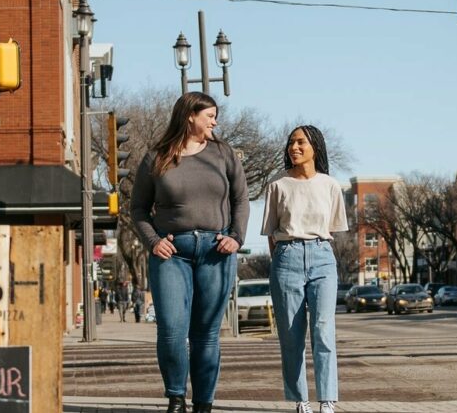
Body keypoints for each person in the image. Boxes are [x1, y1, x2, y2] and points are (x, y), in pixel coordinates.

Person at [131, 92, 249, 413]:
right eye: (209, 115)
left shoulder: (223, 154)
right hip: (172, 254)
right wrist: (154, 240)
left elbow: (241, 200)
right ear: (189, 117)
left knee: (206, 333)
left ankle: (204, 404)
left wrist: (236, 237)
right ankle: (175, 398)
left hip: (216, 250)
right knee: (171, 328)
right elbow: (138, 208)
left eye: (215, 115)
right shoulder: (157, 157)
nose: (215, 121)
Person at [262, 126, 349, 413]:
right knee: (291, 335)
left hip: (322, 256)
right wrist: (282, 261)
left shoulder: (331, 185)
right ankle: (301, 400)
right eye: (290, 143)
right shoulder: (277, 186)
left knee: (324, 330)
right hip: (287, 257)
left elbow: (333, 230)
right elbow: (271, 235)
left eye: (300, 142)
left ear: (315, 147)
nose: (294, 147)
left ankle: (327, 400)